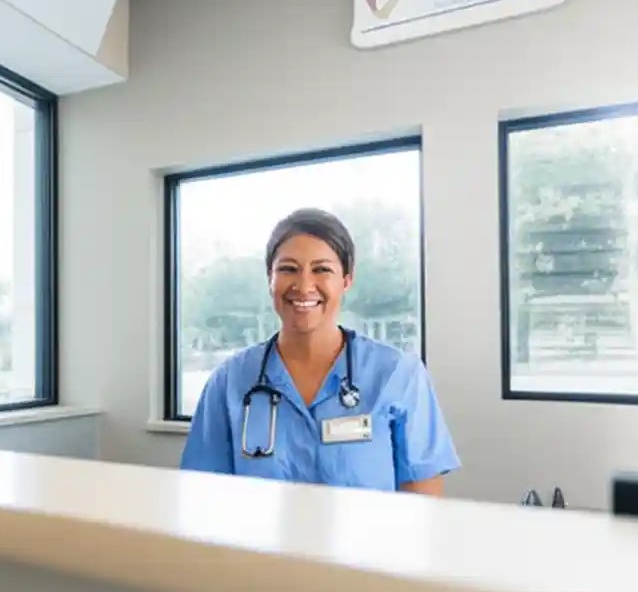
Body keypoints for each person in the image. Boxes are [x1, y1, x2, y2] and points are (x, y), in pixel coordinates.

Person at [179, 208, 460, 495]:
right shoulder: (229, 382)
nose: (303, 286)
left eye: (322, 269)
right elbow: (205, 495)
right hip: (254, 542)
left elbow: (423, 502)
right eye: (288, 269)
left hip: (371, 541)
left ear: (346, 280)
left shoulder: (398, 375)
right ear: (270, 279)